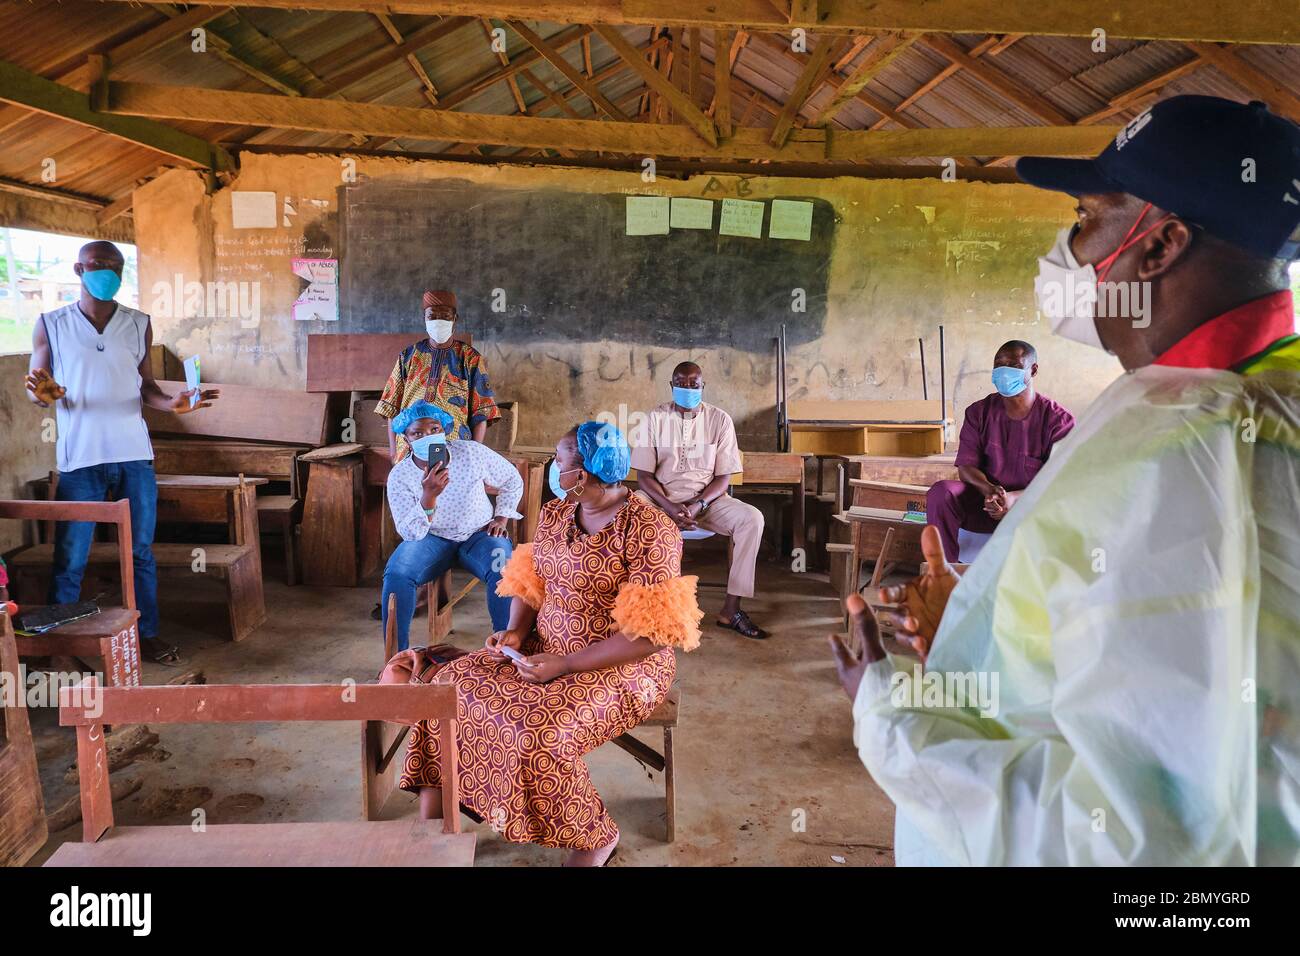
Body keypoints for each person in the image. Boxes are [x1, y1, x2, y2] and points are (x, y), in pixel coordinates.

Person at [830, 94, 1300, 866]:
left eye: (1087, 217)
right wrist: (977, 641)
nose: (1068, 251)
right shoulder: (1218, 403)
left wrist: (889, 713)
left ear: (1160, 245)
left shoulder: (1197, 458)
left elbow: (1145, 845)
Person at [400, 421, 702, 866]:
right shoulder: (559, 512)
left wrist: (567, 664)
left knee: (538, 733)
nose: (553, 468)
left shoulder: (650, 530)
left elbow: (651, 636)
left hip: (621, 665)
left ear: (581, 475)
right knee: (446, 687)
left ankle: (593, 837)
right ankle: (439, 817)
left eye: (559, 462)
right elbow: (531, 579)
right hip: (544, 647)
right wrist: (518, 632)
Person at [24, 241, 218, 665]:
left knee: (140, 552)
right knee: (71, 555)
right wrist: (42, 395)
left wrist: (175, 404)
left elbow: (147, 388)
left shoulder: (137, 323)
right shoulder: (51, 323)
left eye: (116, 265)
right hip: (81, 460)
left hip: (133, 455)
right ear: (79, 269)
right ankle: (62, 644)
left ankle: (145, 632)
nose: (107, 271)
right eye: (99, 264)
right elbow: (46, 390)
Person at [631, 361, 767, 639]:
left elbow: (723, 479)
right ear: (671, 386)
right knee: (628, 514)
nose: (688, 388)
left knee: (752, 518)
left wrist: (697, 505)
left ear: (702, 386)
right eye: (681, 383)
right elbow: (644, 476)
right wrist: (669, 507)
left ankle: (731, 610)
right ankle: (638, 607)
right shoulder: (655, 418)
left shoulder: (720, 420)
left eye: (694, 384)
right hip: (661, 500)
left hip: (706, 503)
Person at [381, 401, 522, 652]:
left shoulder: (470, 453)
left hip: (480, 534)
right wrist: (428, 497)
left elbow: (512, 478)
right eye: (417, 433)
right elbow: (410, 533)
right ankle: (396, 658)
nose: (428, 436)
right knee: (398, 573)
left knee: (504, 568)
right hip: (431, 538)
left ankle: (506, 652)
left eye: (435, 428)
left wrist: (501, 517)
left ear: (445, 430)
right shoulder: (400, 476)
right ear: (406, 437)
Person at [927, 340, 1074, 561]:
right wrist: (989, 491)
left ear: (1033, 370)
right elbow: (967, 467)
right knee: (941, 493)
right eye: (999, 365)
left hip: (1032, 508)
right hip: (986, 505)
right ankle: (944, 572)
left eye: (1014, 366)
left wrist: (1014, 499)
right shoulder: (979, 412)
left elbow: (1061, 481)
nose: (1004, 372)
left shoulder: (1058, 421)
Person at [375, 289, 500, 461]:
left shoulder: (470, 358)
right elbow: (391, 408)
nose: (438, 321)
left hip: (456, 450)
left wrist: (474, 455)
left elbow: (482, 413)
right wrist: (393, 451)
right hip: (409, 448)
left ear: (455, 319)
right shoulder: (408, 356)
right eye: (432, 316)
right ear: (424, 319)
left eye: (445, 316)